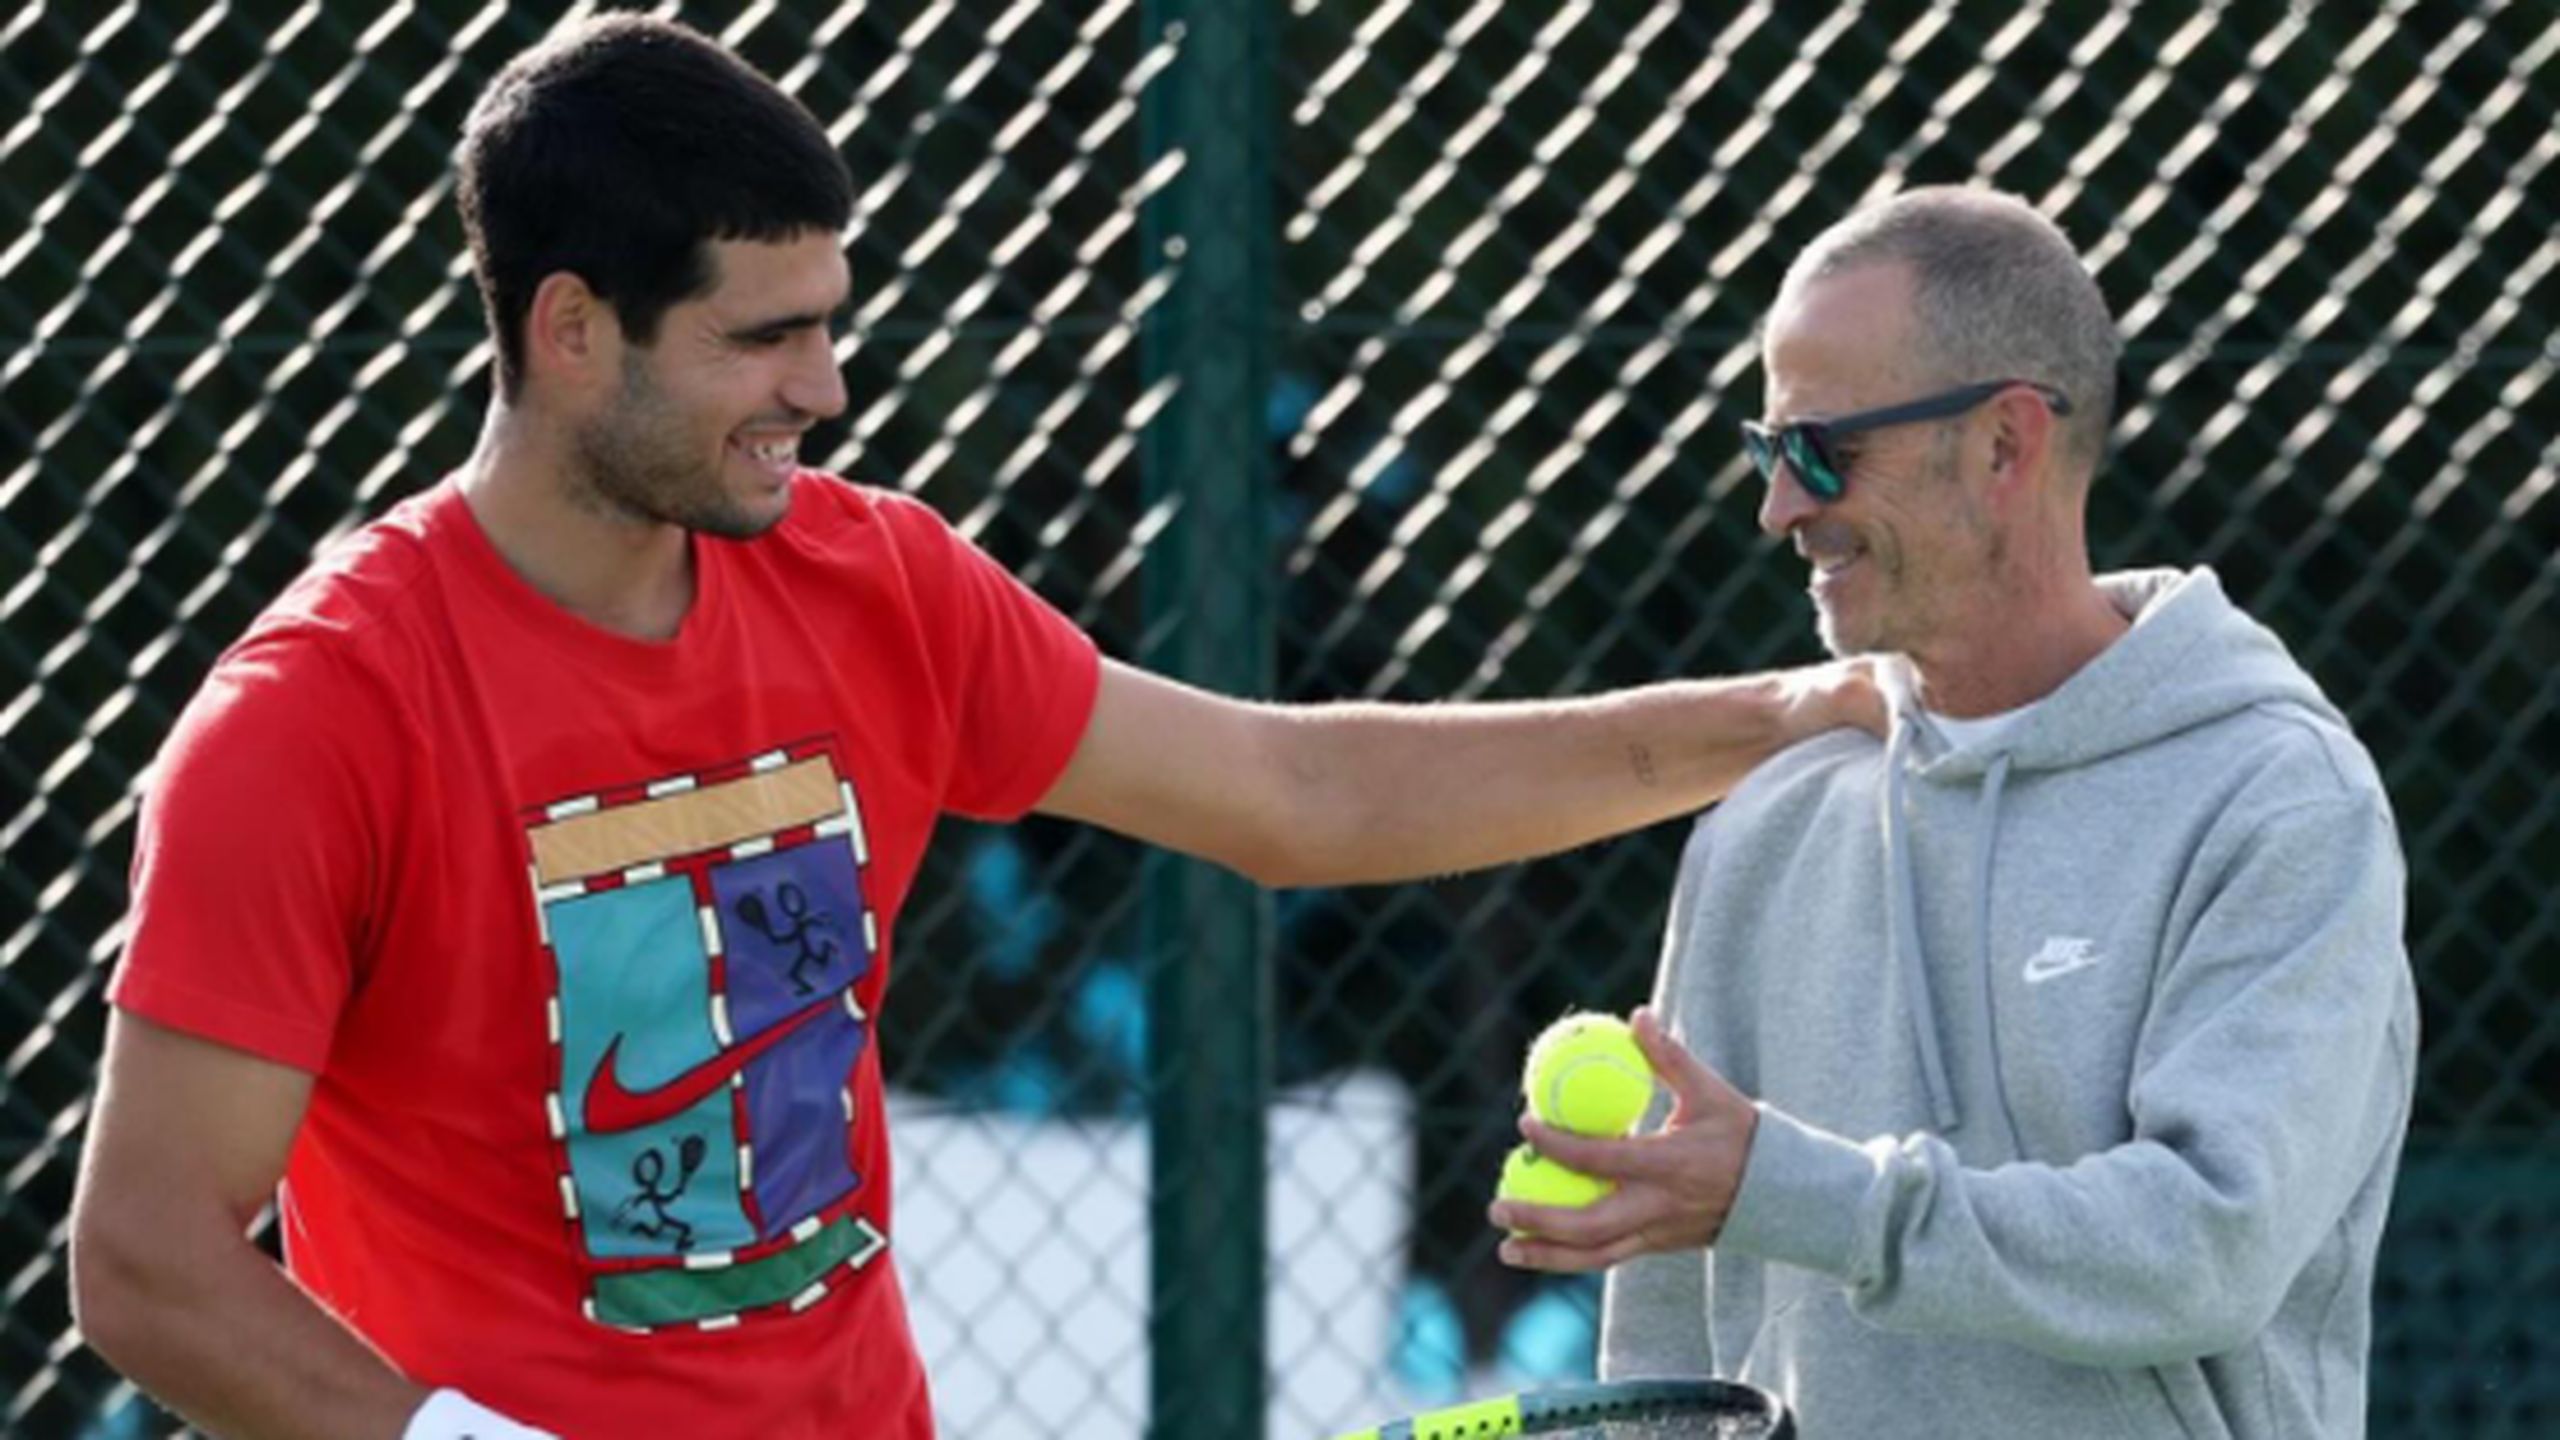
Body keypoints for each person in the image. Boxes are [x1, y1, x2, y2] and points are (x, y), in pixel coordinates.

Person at [63, 16, 1879, 1440]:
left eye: (830, 327)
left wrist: (1785, 714)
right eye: (761, 342)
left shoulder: (877, 587)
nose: (823, 390)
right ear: (570, 332)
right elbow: (145, 1260)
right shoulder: (319, 718)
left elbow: (1289, 787)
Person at [1488, 187, 2417, 1438]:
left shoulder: (2274, 800)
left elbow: (2206, 1245)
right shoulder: (1770, 820)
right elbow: (1672, 1351)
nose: (1779, 506)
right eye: (1767, 452)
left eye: (1821, 450)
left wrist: (1802, 1191)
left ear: (2003, 445)